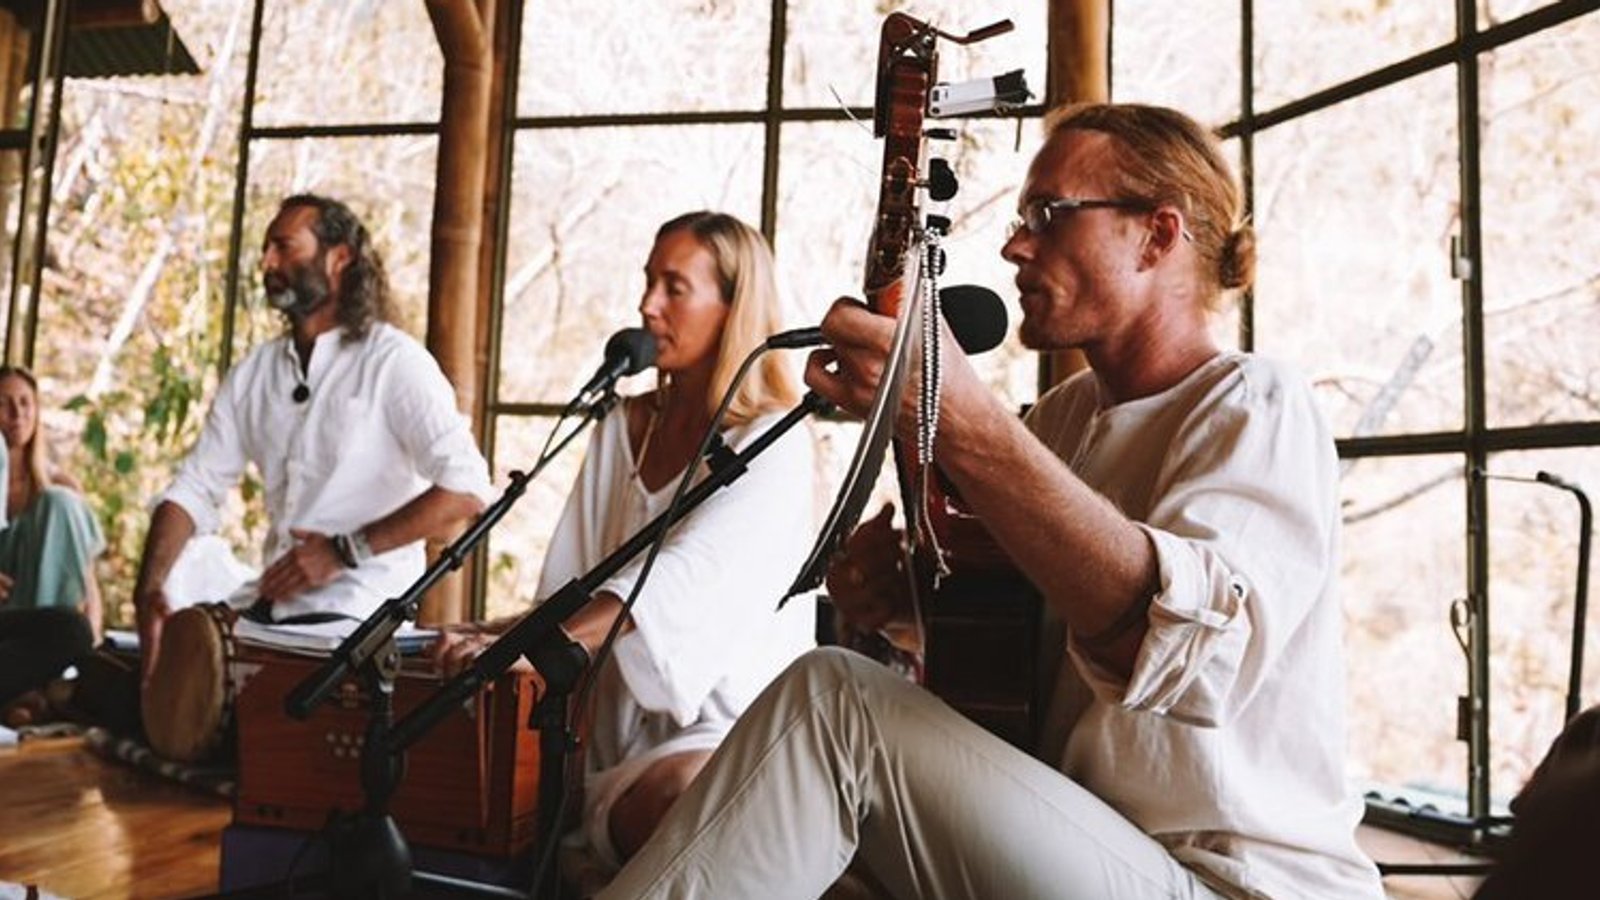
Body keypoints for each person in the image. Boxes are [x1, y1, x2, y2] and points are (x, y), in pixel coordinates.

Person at [596, 104, 1386, 899]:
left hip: (1234, 882)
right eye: (1019, 219)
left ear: (1157, 235)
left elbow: (1176, 659)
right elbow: (1026, 657)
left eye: (1048, 215)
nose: (1014, 245)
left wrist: (962, 421)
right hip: (1087, 850)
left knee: (834, 707)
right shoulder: (1063, 420)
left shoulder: (1255, 404)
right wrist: (905, 605)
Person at [431, 211, 816, 885]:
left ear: (733, 309)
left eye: (675, 286)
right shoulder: (622, 425)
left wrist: (525, 648)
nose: (646, 305)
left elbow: (676, 580)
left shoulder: (773, 440)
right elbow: (572, 588)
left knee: (691, 800)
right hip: (593, 735)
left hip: (717, 736)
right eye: (648, 282)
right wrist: (487, 634)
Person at [133, 193, 493, 685]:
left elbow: (468, 487)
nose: (267, 262)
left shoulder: (395, 362)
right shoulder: (256, 372)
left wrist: (346, 550)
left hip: (358, 612)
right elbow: (195, 488)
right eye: (265, 250)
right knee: (124, 669)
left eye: (285, 247)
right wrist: (150, 591)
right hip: (268, 606)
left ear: (339, 258)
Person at [0, 365, 103, 721]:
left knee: (74, 631)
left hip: (36, 636)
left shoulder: (59, 490)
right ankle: (23, 693)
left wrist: (92, 651)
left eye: (26, 403)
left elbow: (89, 591)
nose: (17, 414)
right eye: (4, 403)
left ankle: (29, 689)